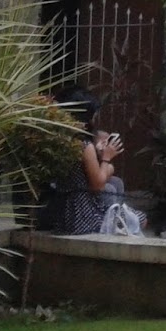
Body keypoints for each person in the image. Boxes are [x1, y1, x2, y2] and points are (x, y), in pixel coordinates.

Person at [44, 87, 128, 235]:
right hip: (82, 215)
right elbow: (97, 184)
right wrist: (107, 157)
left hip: (62, 213)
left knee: (115, 186)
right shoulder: (83, 145)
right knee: (140, 218)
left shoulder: (59, 139)